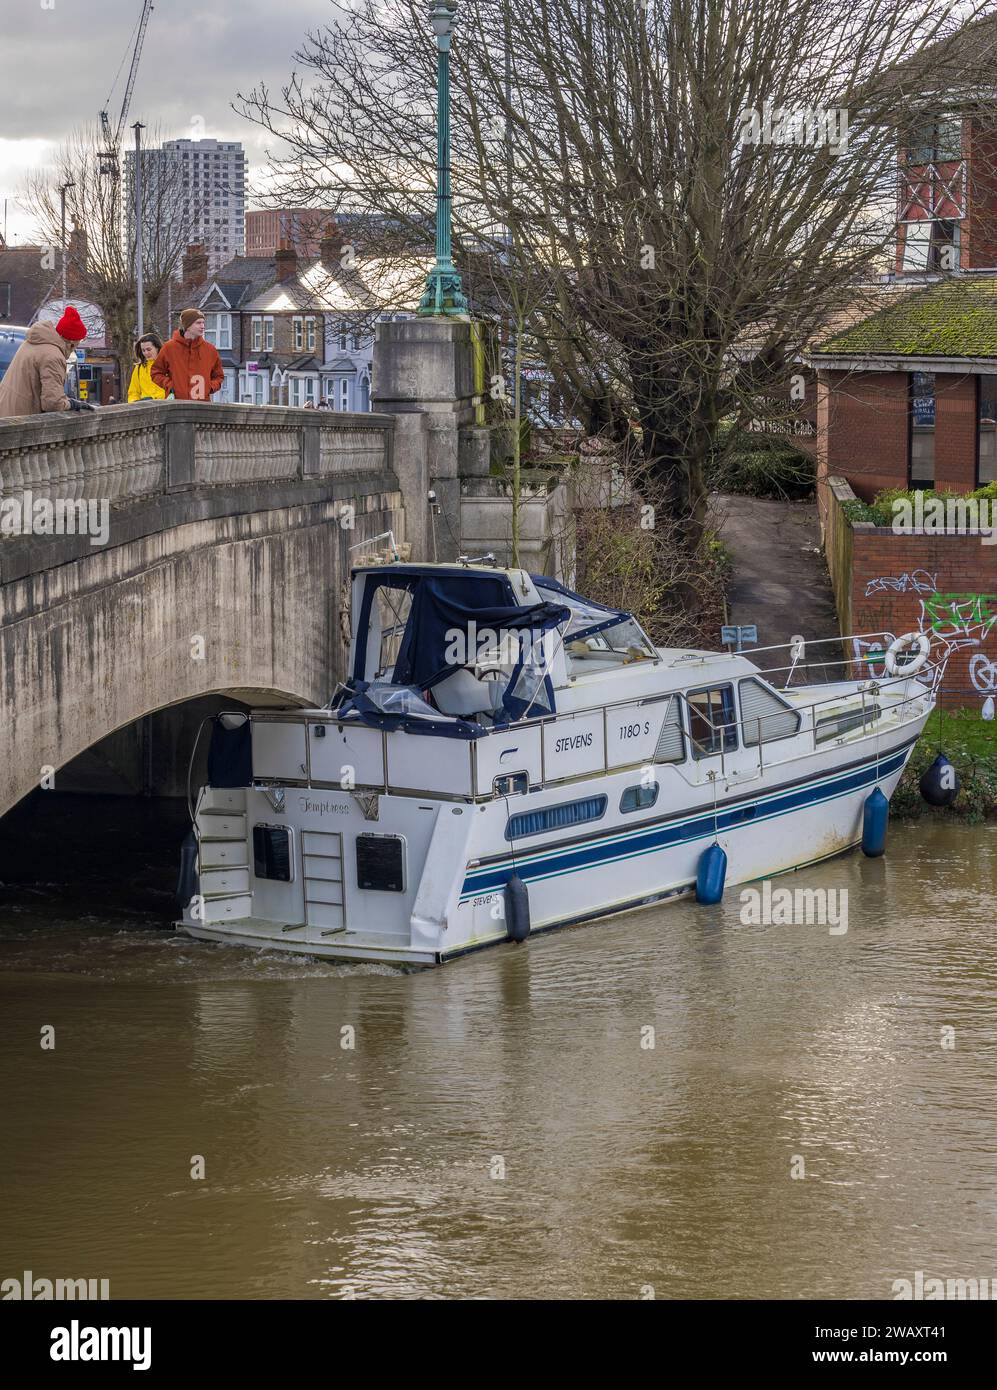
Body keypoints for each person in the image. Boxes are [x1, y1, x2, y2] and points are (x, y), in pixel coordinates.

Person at [0, 306, 89, 418]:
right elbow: (52, 403)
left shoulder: (31, 342)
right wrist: (72, 404)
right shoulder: (53, 357)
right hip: (21, 421)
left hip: (6, 414)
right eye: (79, 340)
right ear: (72, 342)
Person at [151, 308, 224, 401]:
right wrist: (170, 386)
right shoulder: (169, 348)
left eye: (203, 323)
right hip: (176, 406)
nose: (202, 326)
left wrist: (209, 387)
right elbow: (156, 372)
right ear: (187, 326)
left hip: (202, 407)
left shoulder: (210, 350)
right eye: (198, 323)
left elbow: (219, 376)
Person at [127, 333, 166, 402]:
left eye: (149, 349)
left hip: (164, 407)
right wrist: (135, 403)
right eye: (143, 350)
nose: (146, 353)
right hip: (145, 408)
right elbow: (133, 392)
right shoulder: (138, 368)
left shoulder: (168, 366)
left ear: (157, 348)